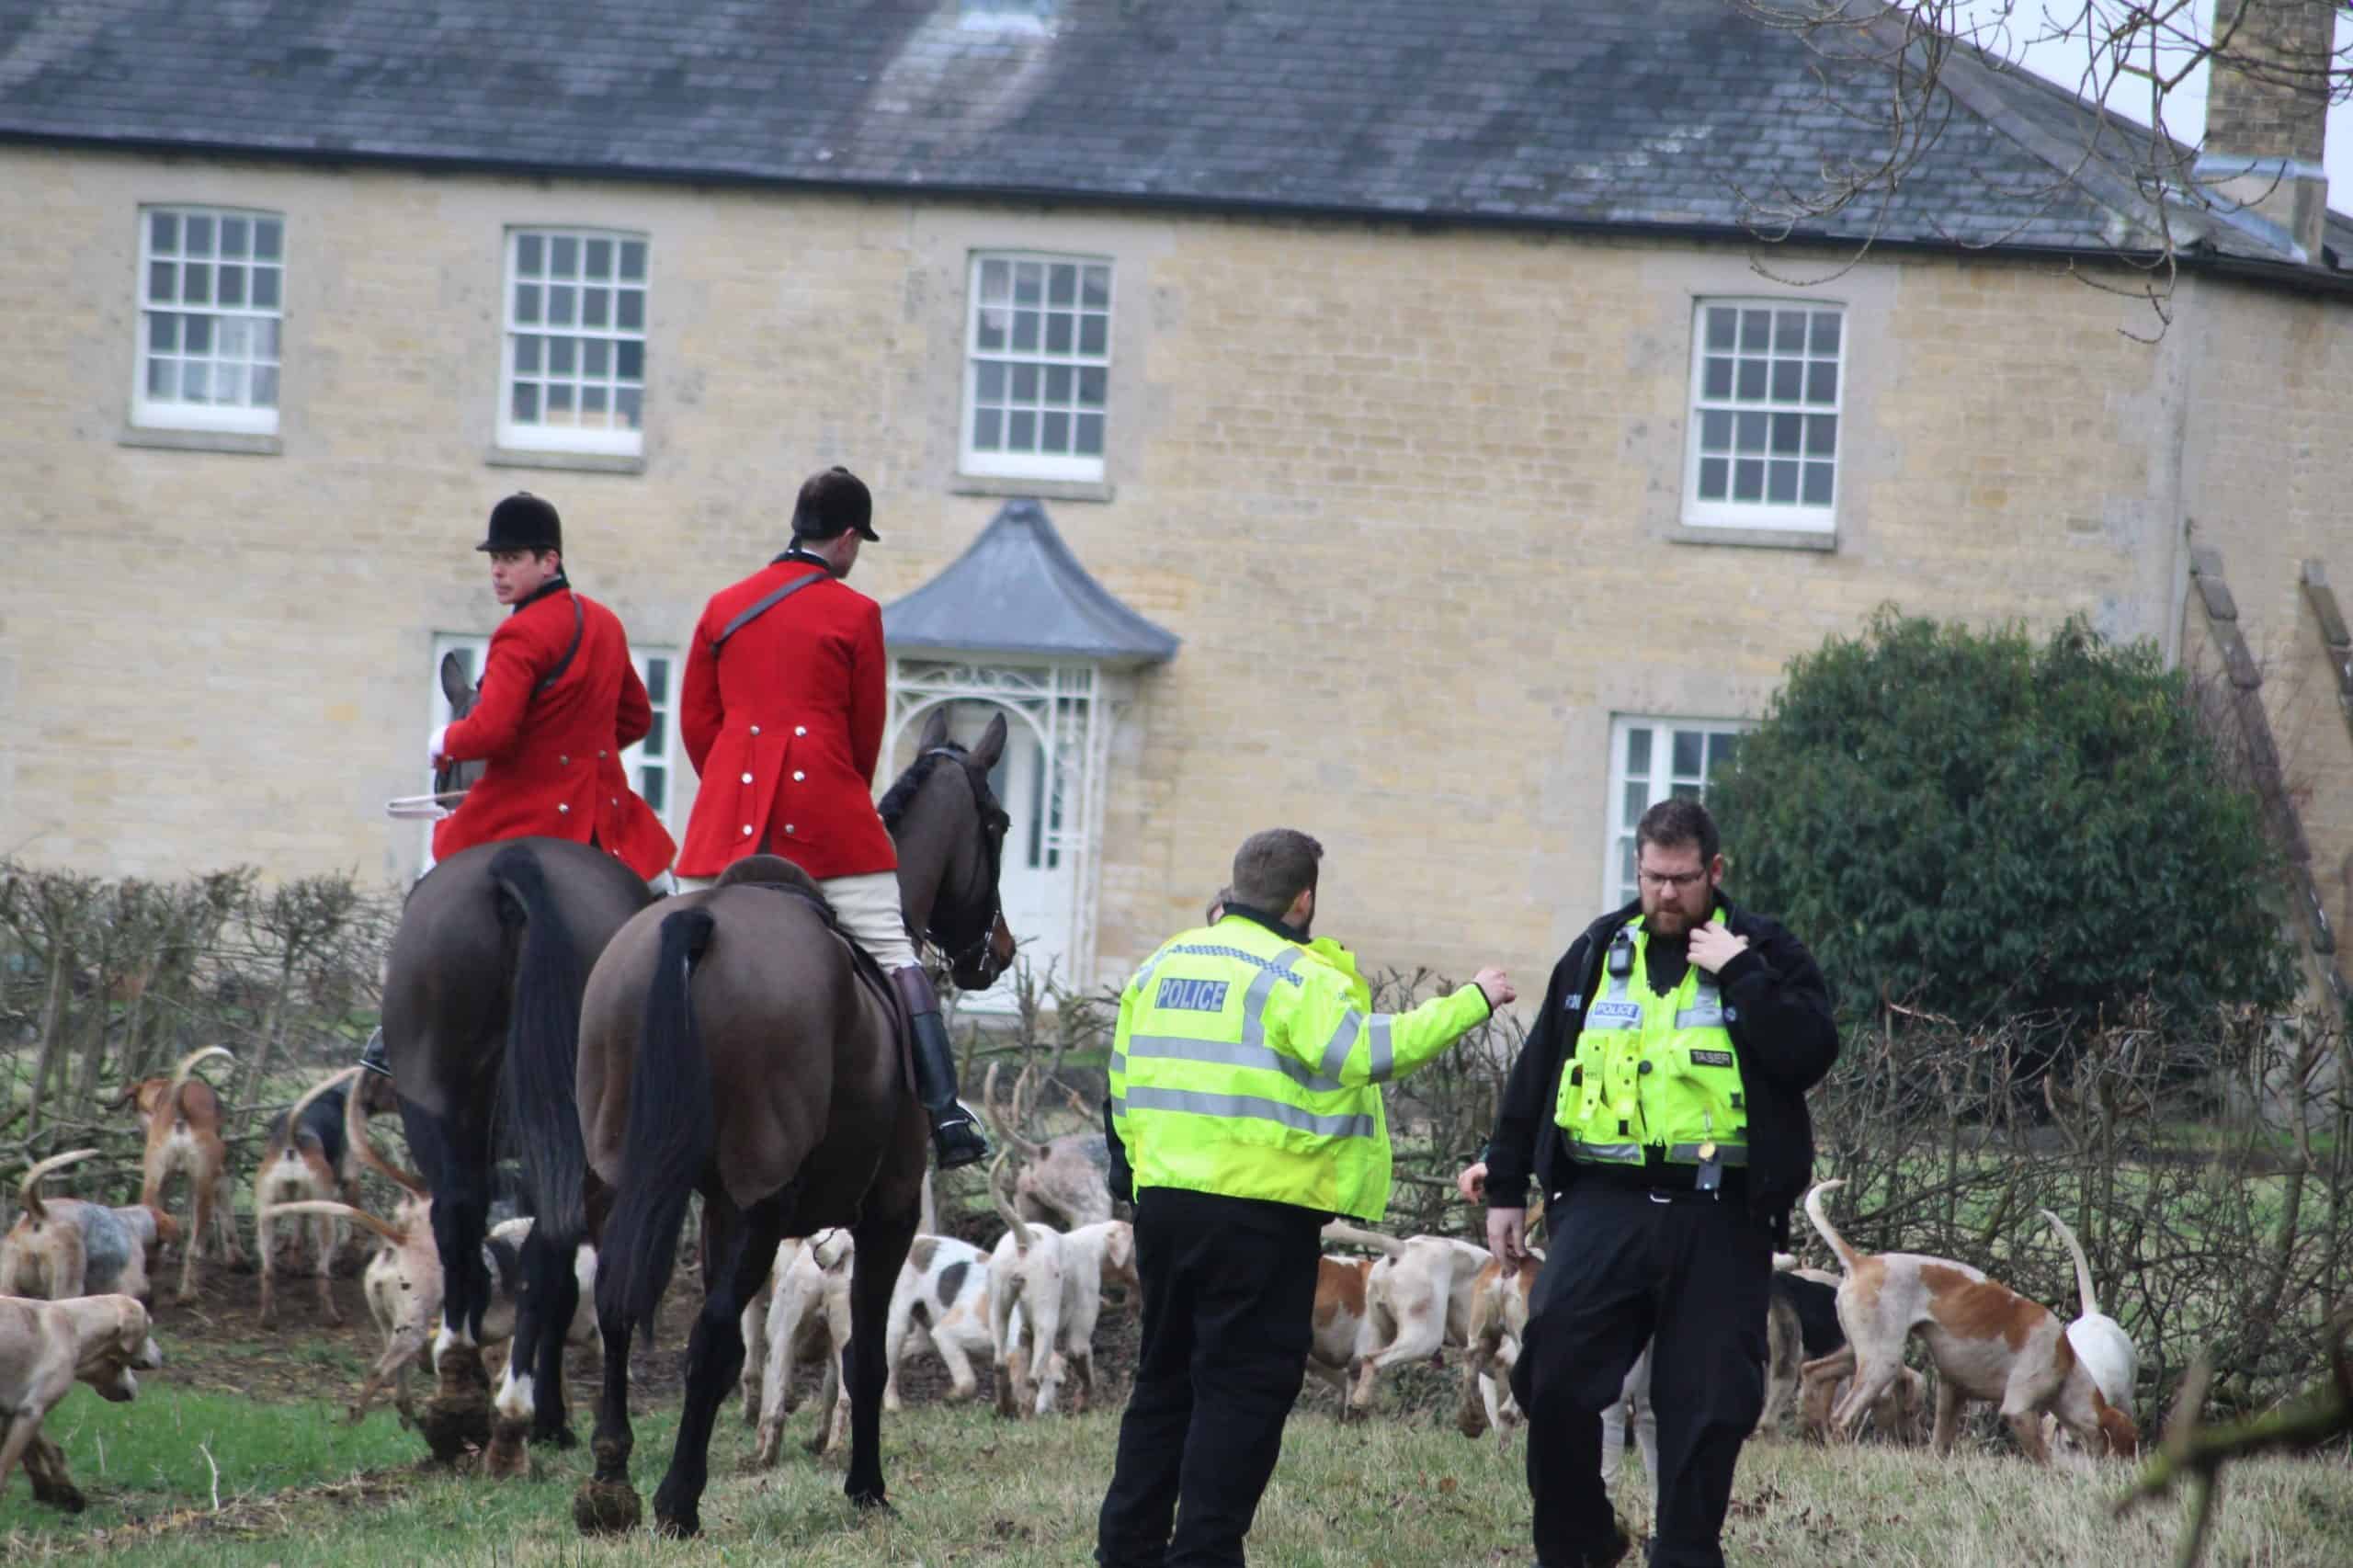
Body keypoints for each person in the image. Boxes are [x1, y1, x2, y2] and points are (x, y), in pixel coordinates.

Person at [1097, 828, 1515, 1568]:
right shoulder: (1294, 976)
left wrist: (1133, 1179)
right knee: (1243, 1392)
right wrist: (1473, 1001)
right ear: (1304, 899)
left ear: (1233, 887)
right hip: (1259, 1219)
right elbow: (1369, 1052)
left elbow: (1121, 1087)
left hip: (1163, 1208)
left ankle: (1125, 1552)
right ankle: (1203, 1554)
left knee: (1162, 1382)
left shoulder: (1162, 964)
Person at [1481, 798, 1836, 1568]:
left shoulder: (1766, 950)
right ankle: (1578, 1541)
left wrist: (1739, 972)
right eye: (1652, 878)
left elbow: (1809, 1051)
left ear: (1714, 871)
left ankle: (1683, 1552)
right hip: (1602, 1205)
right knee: (1554, 1376)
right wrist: (1506, 1179)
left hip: (1721, 1212)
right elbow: (1539, 1068)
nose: (1666, 895)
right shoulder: (1598, 948)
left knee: (1705, 1407)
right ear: (1636, 870)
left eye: (1681, 880)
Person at [671, 465, 986, 1169]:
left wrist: (732, 786)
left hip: (726, 826)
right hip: (824, 824)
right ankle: (943, 1113)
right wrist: (837, 794)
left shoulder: (723, 606)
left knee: (667, 943)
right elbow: (863, 734)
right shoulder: (855, 614)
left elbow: (699, 723)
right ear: (846, 538)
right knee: (894, 950)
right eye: (859, 543)